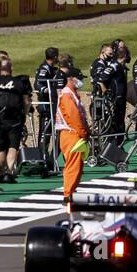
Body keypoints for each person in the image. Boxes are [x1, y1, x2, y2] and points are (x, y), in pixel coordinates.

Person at [0, 58, 30, 183]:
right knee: (13, 146)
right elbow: (27, 101)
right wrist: (25, 113)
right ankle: (9, 172)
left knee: (0, 147)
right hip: (14, 118)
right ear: (11, 68)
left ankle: (2, 171)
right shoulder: (19, 82)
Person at [54, 68, 89, 201]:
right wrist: (83, 132)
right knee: (73, 164)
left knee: (77, 164)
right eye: (79, 78)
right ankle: (68, 194)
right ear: (71, 79)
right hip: (71, 133)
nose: (81, 81)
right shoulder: (67, 94)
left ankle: (71, 191)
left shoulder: (71, 94)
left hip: (72, 133)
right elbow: (74, 116)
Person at [33, 47, 63, 156]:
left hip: (53, 105)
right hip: (46, 106)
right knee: (45, 132)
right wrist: (47, 90)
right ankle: (42, 156)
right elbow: (37, 83)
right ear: (55, 57)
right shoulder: (44, 69)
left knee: (56, 132)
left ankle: (51, 157)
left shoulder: (51, 68)